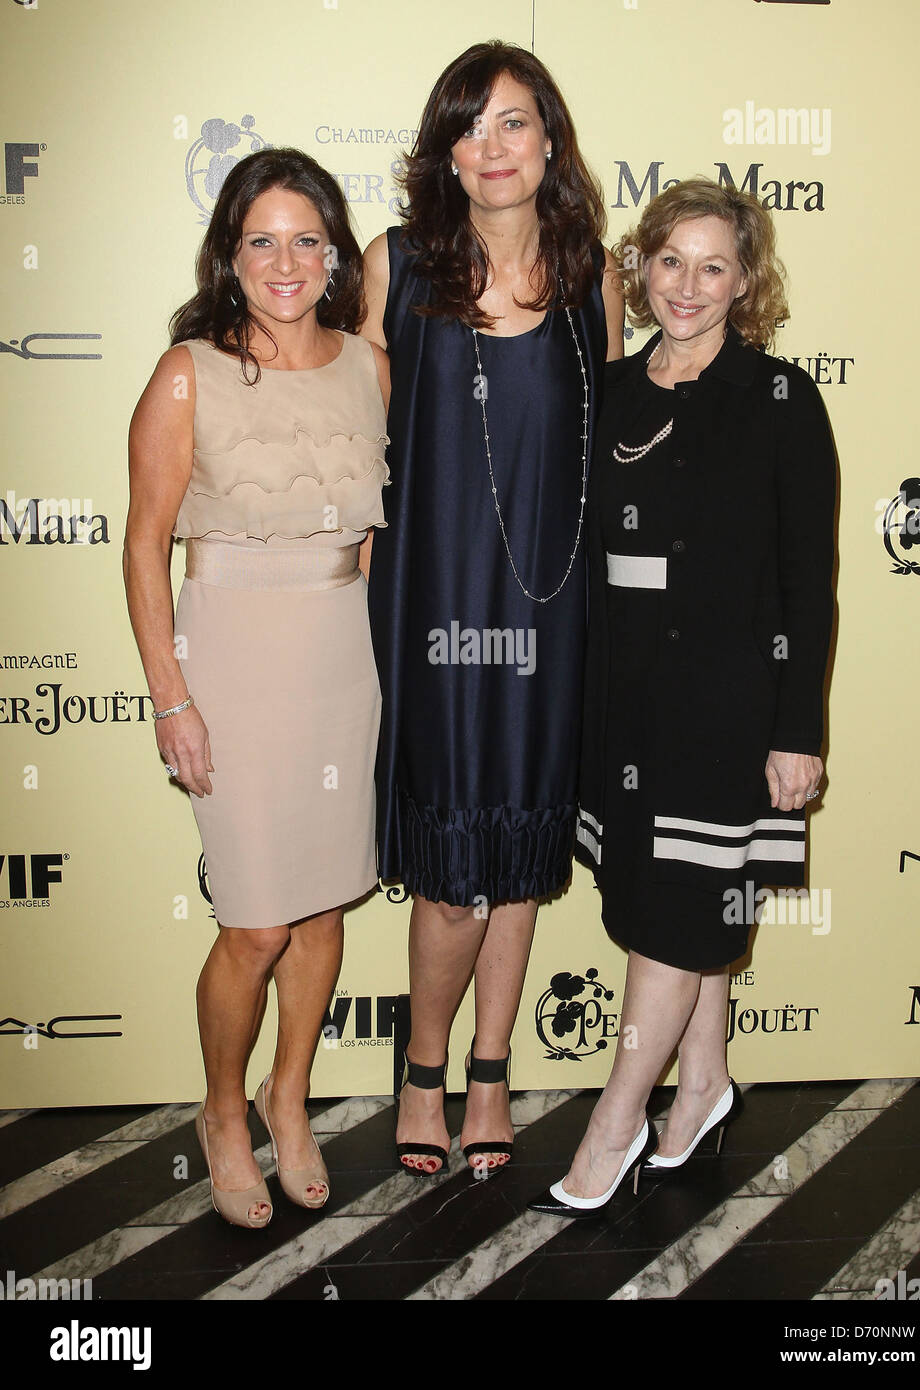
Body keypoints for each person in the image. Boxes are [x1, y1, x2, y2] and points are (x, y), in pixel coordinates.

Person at [529, 178, 836, 1216]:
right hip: (625, 702)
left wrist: (796, 731)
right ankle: (699, 1085)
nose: (688, 285)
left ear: (745, 280)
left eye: (714, 265)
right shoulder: (609, 392)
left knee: (668, 918)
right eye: (670, 260)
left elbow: (808, 580)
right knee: (673, 906)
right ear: (639, 265)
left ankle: (611, 1128)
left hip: (724, 703)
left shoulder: (780, 398)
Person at [362, 40, 625, 1177]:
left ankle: (487, 1069)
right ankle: (420, 1067)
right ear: (444, 154)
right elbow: (360, 451)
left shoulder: (593, 280)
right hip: (429, 605)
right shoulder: (394, 269)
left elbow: (609, 461)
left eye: (512, 122)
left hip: (550, 617)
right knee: (449, 862)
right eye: (469, 128)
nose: (492, 147)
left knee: (518, 848)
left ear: (549, 141)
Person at [123, 148, 390, 1227]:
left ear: (334, 254)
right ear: (230, 255)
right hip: (231, 657)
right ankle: (223, 1111)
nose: (285, 261)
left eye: (306, 239)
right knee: (254, 925)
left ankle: (291, 1098)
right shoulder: (186, 370)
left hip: (340, 656)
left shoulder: (367, 366)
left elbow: (369, 536)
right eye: (261, 240)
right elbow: (144, 547)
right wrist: (170, 697)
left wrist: (375, 673)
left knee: (323, 907)